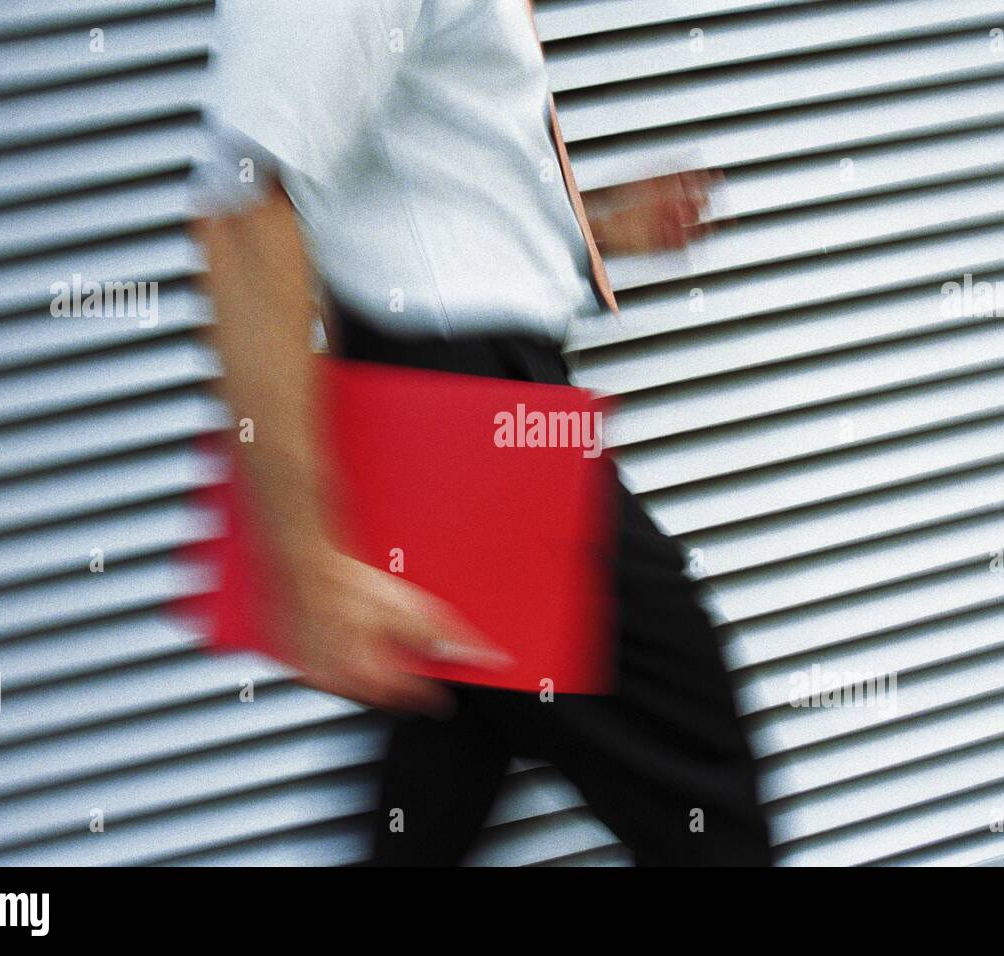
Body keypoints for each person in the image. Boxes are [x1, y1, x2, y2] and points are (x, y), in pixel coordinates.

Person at [192, 0, 771, 866]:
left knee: (438, 785)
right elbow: (245, 206)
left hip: (463, 413)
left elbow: (435, 200)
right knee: (700, 772)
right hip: (470, 428)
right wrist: (302, 563)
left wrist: (602, 227)